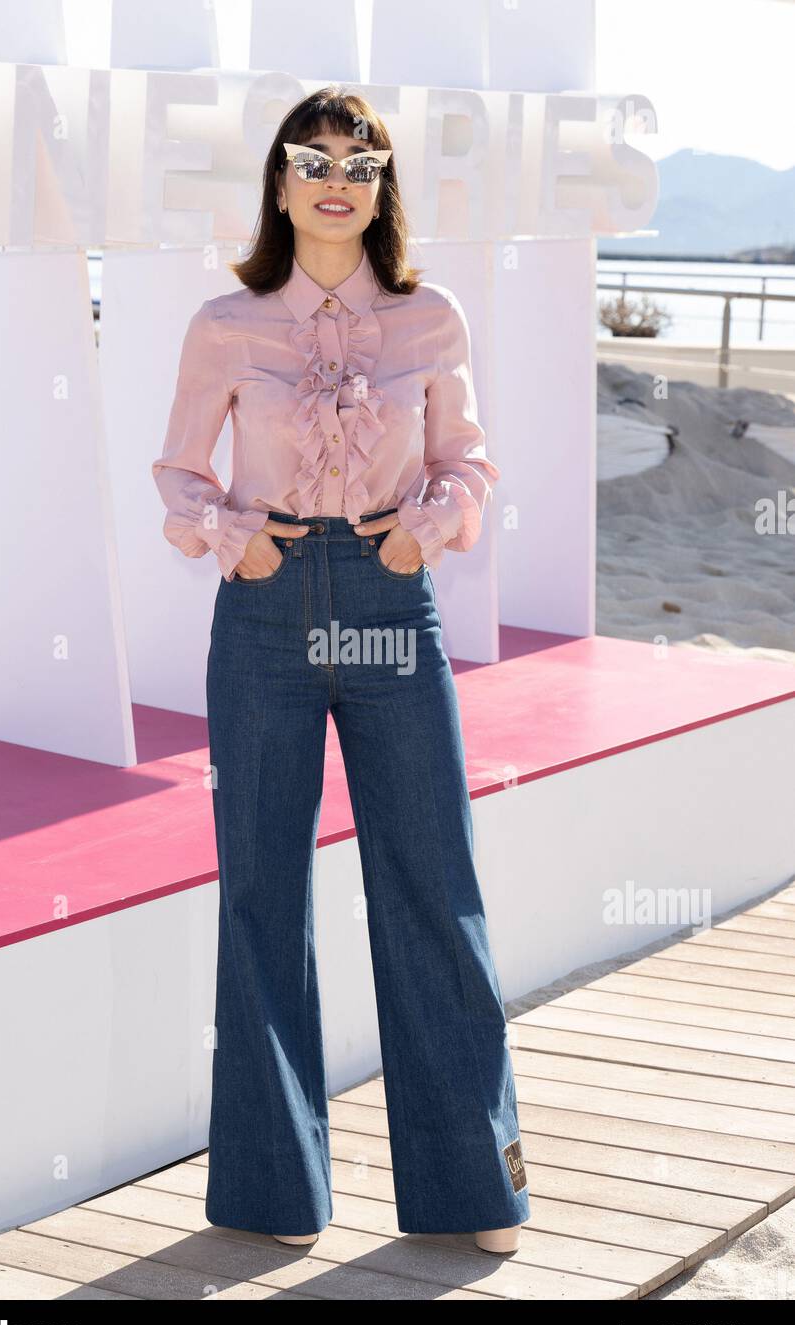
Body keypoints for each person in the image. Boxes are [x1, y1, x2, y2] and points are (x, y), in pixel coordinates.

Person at [152, 85, 530, 1256]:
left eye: (357, 162)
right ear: (277, 184)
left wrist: (427, 525)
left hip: (386, 603)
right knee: (262, 894)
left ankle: (475, 1186)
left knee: (430, 879)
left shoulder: (430, 316)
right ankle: (273, 1193)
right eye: (309, 159)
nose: (333, 178)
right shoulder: (224, 321)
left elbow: (467, 457)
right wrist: (233, 540)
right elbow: (175, 473)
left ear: (379, 187)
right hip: (263, 613)